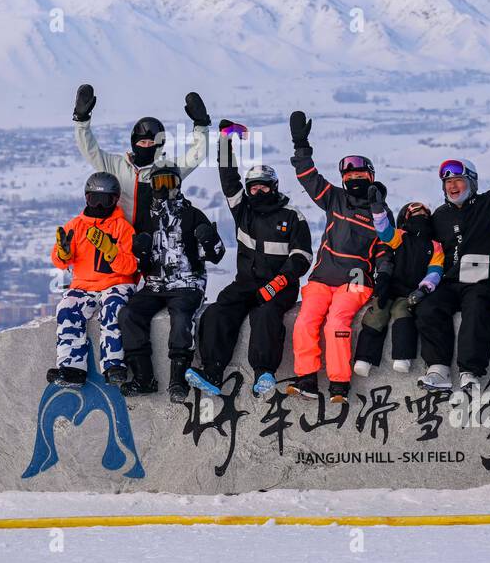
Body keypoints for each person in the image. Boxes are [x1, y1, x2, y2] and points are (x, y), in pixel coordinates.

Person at [187, 121, 313, 398]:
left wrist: (277, 283)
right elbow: (228, 179)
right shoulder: (243, 210)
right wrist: (224, 142)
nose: (258, 192)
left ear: (274, 187)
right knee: (217, 311)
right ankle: (212, 372)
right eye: (253, 188)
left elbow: (302, 257)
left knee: (266, 315)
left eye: (264, 188)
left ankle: (264, 372)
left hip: (279, 286)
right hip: (245, 282)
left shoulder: (292, 216)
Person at [415, 117, 490, 403]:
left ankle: (470, 371)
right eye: (448, 182)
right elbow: (420, 246)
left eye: (458, 180)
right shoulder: (439, 216)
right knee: (429, 307)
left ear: (471, 182)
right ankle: (438, 369)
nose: (453, 186)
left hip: (480, 281)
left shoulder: (488, 203)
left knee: (477, 309)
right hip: (449, 281)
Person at [287, 110, 396, 402]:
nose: (355, 180)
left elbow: (386, 247)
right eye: (350, 176)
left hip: (355, 280)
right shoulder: (335, 198)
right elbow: (308, 178)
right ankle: (307, 378)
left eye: (361, 176)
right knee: (305, 322)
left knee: (337, 324)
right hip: (323, 277)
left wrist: (384, 276)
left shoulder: (381, 213)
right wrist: (301, 146)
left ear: (371, 178)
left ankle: (339, 383)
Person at [118, 163, 225, 400]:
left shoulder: (192, 214)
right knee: (128, 314)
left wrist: (209, 239)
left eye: (170, 182)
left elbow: (216, 255)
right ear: (152, 186)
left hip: (187, 282)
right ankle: (143, 377)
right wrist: (141, 252)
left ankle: (178, 379)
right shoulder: (145, 218)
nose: (164, 189)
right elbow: (139, 264)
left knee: (181, 315)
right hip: (155, 285)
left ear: (179, 184)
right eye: (159, 183)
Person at [72, 83, 210, 235]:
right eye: (143, 142)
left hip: (156, 241)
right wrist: (81, 121)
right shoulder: (117, 165)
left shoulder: (167, 170)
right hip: (122, 239)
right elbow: (90, 150)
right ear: (134, 143)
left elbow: (197, 155)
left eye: (151, 143)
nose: (147, 146)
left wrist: (201, 126)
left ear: (159, 146)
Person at [48, 171, 140, 387]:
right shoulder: (75, 226)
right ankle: (71, 368)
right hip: (83, 286)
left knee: (113, 308)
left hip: (117, 283)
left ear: (115, 200)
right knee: (66, 308)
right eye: (94, 200)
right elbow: (59, 262)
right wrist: (63, 253)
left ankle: (114, 365)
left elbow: (132, 265)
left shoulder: (123, 228)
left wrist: (112, 252)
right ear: (86, 198)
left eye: (105, 200)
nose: (99, 206)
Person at [352, 201, 445, 376]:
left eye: (424, 214)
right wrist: (378, 211)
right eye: (416, 213)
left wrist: (424, 289)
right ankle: (364, 358)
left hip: (411, 291)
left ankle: (403, 357)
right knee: (377, 311)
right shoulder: (401, 236)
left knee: (402, 313)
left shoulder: (434, 245)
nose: (421, 216)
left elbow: (435, 271)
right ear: (406, 217)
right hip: (391, 287)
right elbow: (384, 232)